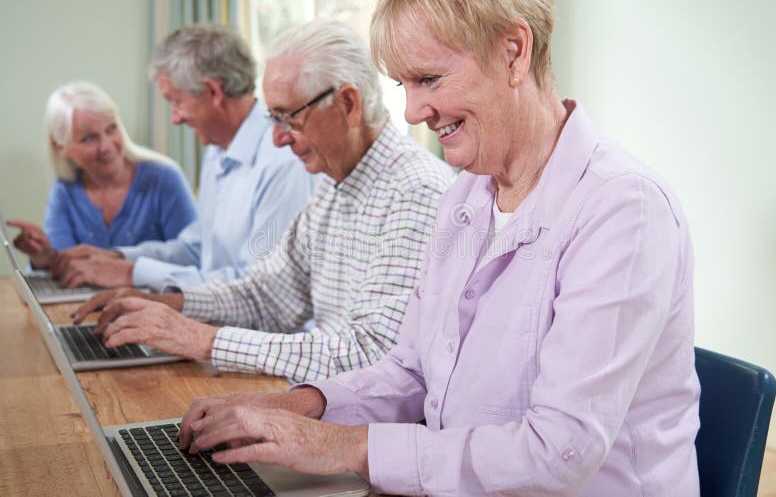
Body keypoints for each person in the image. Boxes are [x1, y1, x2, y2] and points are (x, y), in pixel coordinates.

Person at [173, 0, 702, 495]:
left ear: (514, 51)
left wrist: (343, 446)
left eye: (429, 79)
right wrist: (295, 405)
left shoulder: (623, 210)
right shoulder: (466, 197)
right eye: (404, 84)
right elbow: (411, 371)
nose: (412, 110)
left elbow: (558, 451)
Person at [73, 19, 455, 384]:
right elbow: (269, 296)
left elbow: (370, 354)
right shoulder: (334, 180)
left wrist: (202, 340)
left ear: (348, 105)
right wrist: (170, 306)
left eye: (289, 119)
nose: (277, 139)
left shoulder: (415, 192)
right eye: (273, 119)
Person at [53, 25, 316, 291]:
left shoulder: (282, 162)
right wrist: (117, 258)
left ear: (213, 92)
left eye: (176, 102)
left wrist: (133, 274)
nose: (175, 118)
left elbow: (260, 287)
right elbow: (197, 248)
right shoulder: (218, 151)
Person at [8, 81, 196, 280]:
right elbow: (63, 268)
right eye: (89, 138)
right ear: (60, 147)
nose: (106, 146)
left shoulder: (164, 178)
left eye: (111, 129)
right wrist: (44, 259)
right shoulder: (65, 191)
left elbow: (195, 256)